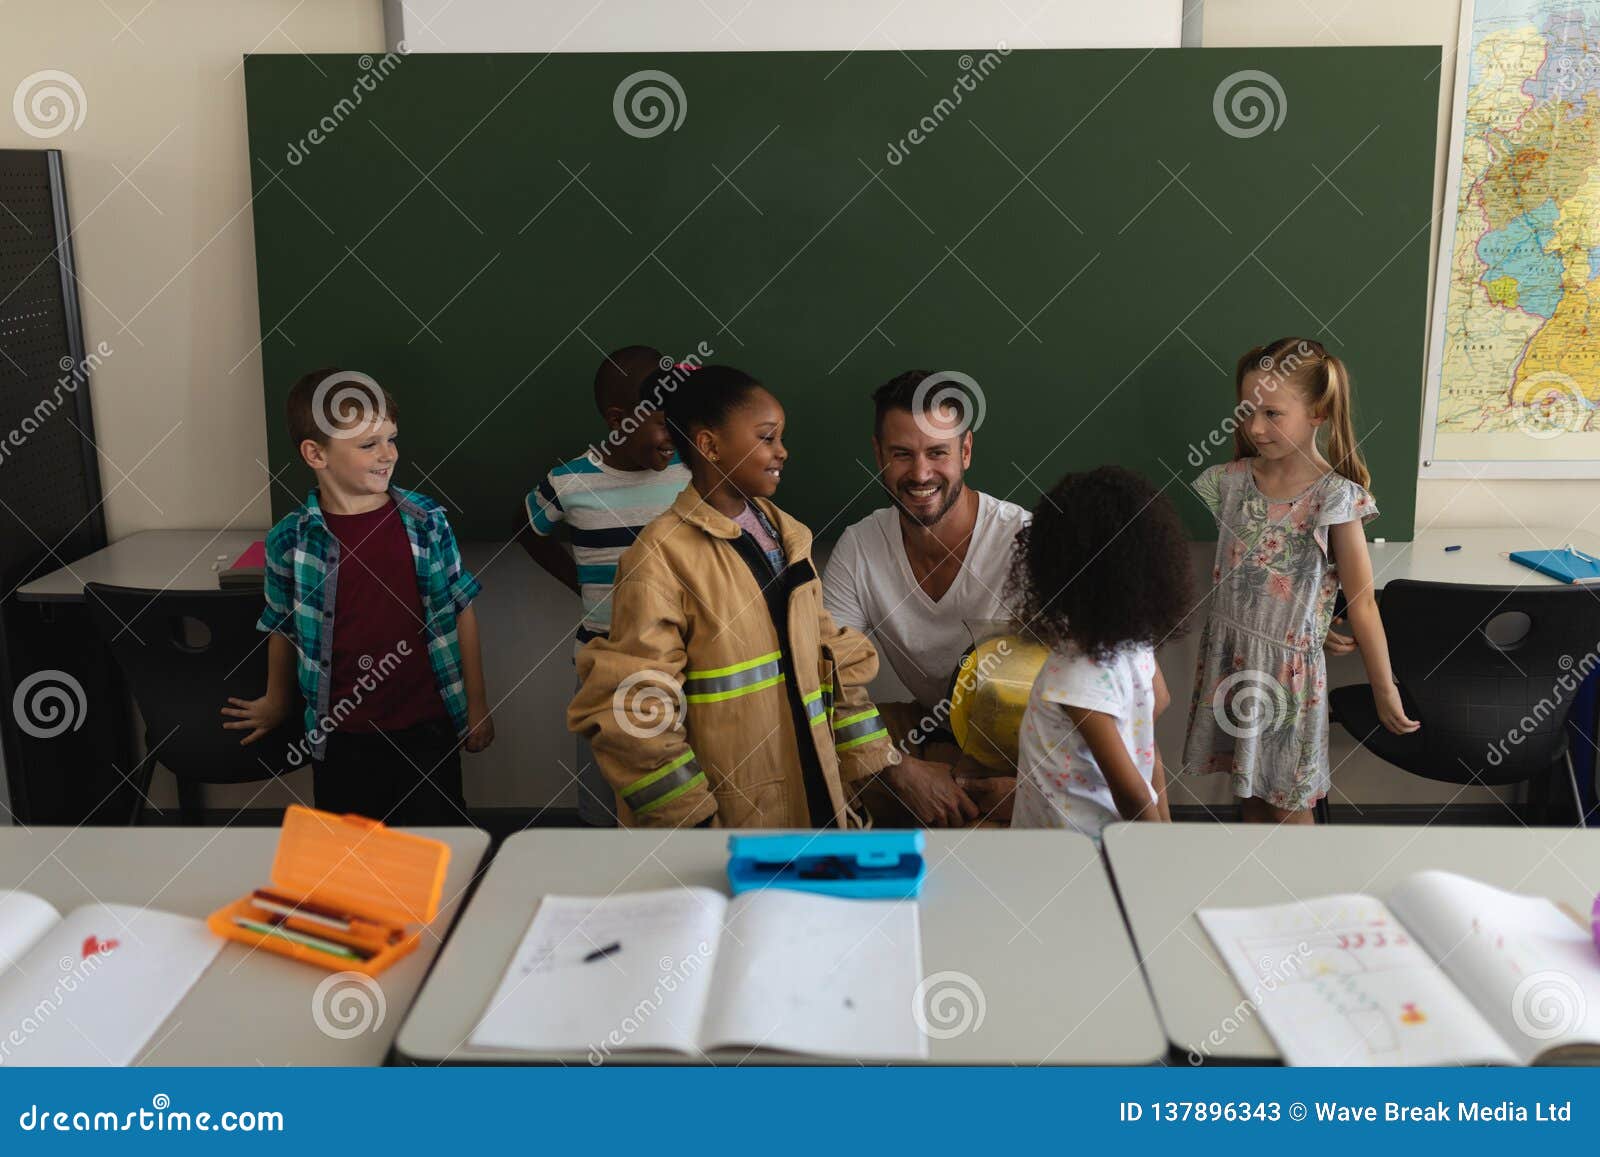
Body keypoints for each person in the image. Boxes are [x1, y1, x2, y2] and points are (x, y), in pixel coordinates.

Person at [569, 365, 948, 827]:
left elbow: (832, 667)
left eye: (781, 438)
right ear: (709, 446)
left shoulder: (788, 537)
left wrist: (877, 763)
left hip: (816, 806)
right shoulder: (660, 559)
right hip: (730, 824)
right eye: (767, 437)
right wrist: (691, 826)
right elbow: (636, 714)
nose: (782, 451)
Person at [224, 368, 493, 823]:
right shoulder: (290, 540)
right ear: (315, 453)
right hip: (341, 734)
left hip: (428, 726)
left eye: (391, 438)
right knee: (351, 862)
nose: (387, 454)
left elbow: (460, 608)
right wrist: (276, 700)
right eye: (369, 445)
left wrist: (478, 705)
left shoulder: (427, 520)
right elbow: (281, 625)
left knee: (439, 846)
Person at [1183, 337, 1419, 823]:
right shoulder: (1226, 482)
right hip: (1233, 662)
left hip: (1287, 682)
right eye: (1248, 411)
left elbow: (1363, 603)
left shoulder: (1334, 499)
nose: (1253, 427)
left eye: (1272, 413)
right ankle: (1257, 898)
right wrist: (1308, 613)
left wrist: (1384, 688)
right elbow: (1267, 572)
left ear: (1317, 412)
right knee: (1248, 793)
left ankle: (1305, 898)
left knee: (1288, 807)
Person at [822, 370, 1029, 825]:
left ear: (966, 452)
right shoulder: (859, 546)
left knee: (984, 843)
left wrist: (1037, 787)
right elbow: (825, 681)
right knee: (813, 752)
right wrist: (900, 769)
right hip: (927, 734)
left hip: (1026, 749)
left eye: (937, 453)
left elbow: (1105, 685)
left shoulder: (1027, 541)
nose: (920, 474)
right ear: (878, 454)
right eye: (902, 455)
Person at [518, 345, 691, 824]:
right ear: (619, 419)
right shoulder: (570, 482)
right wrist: (579, 581)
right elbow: (525, 528)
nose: (673, 436)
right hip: (604, 668)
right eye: (661, 422)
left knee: (680, 795)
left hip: (682, 661)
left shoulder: (694, 477)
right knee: (603, 799)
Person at [1007, 467, 1192, 842]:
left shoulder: (1074, 675)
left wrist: (1164, 853)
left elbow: (1132, 794)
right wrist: (1168, 837)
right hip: (1105, 849)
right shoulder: (1135, 643)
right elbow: (1154, 718)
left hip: (1068, 857)